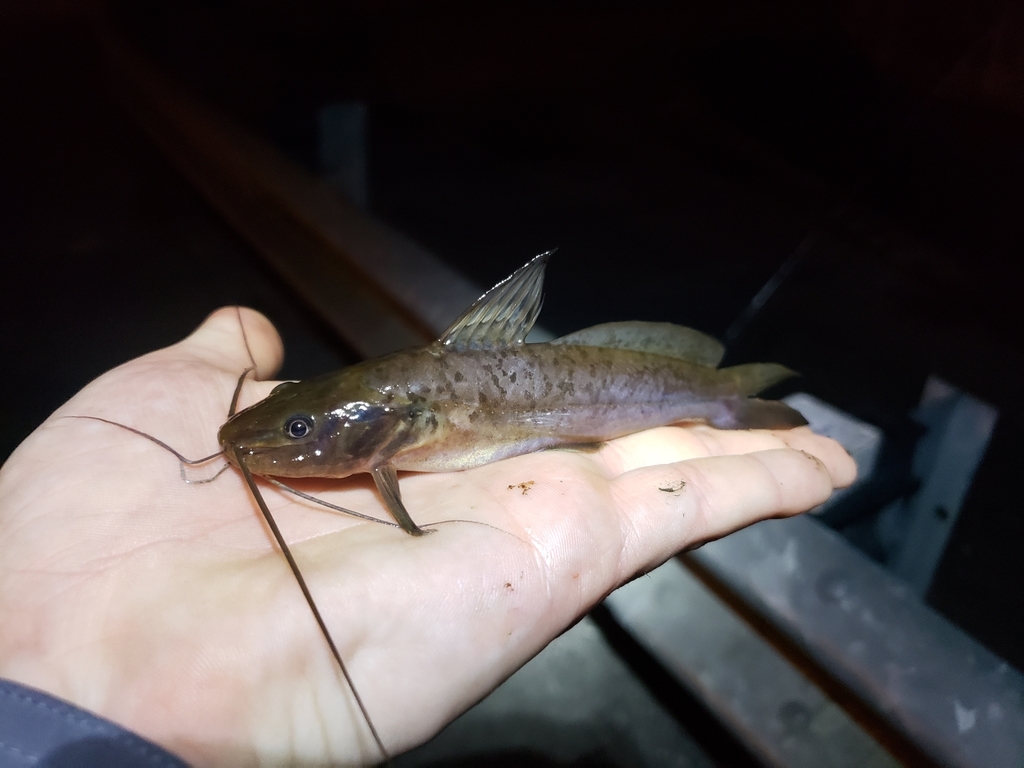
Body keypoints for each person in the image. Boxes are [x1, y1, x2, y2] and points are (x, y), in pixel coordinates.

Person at [0, 308, 855, 766]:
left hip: (644, 393)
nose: (277, 442)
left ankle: (728, 398)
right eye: (297, 425)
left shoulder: (405, 420)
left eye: (299, 432)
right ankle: (731, 395)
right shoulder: (386, 414)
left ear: (397, 426)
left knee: (732, 408)